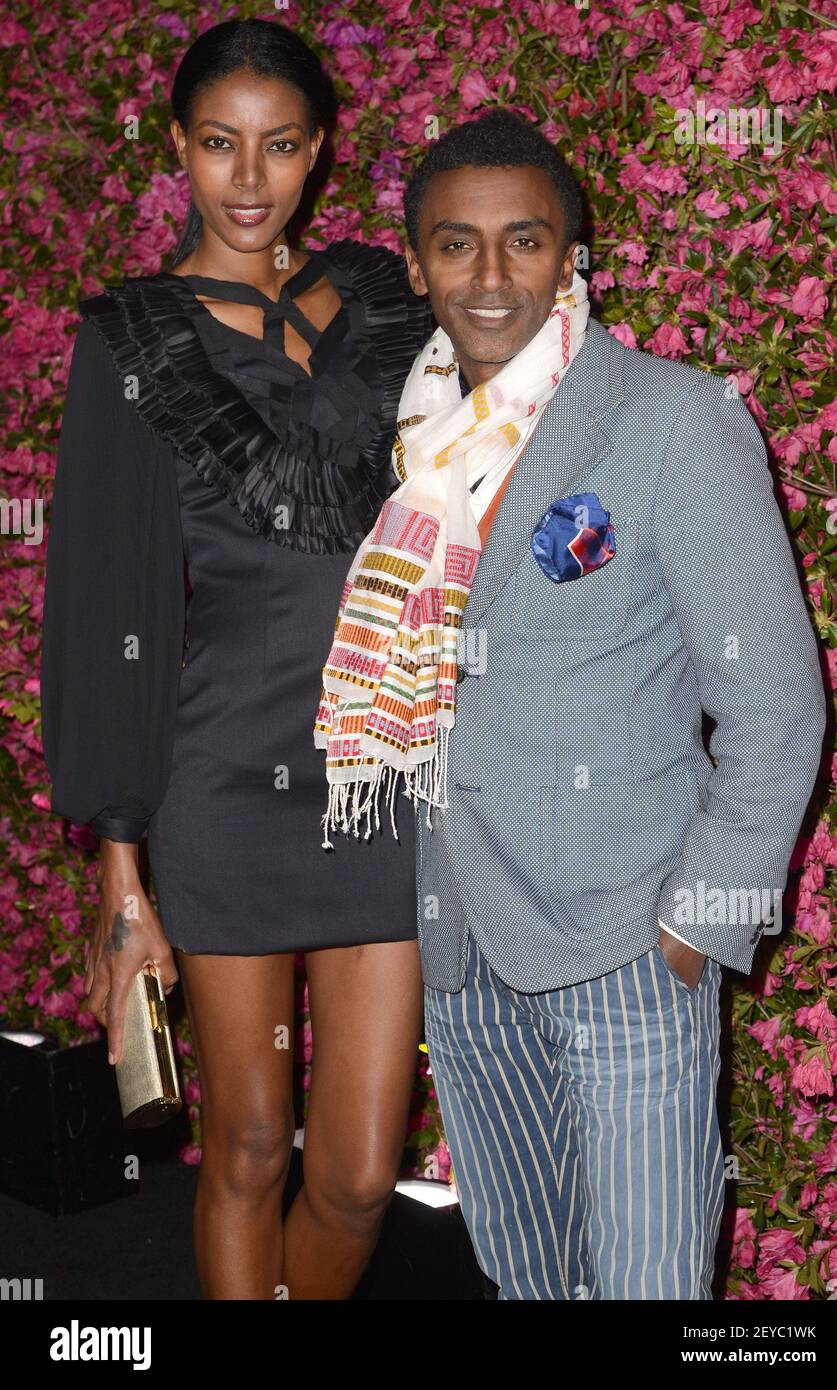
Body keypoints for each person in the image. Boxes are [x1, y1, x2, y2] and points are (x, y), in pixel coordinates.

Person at [314, 110, 827, 1299]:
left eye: (523, 241)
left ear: (571, 253)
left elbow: (774, 704)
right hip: (463, 938)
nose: (490, 276)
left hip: (627, 939)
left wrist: (699, 922)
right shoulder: (412, 441)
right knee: (526, 1275)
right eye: (456, 244)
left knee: (649, 1284)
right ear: (416, 261)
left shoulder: (670, 418)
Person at [40, 18, 433, 1300]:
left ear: (319, 152)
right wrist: (123, 881)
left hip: (382, 784)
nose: (249, 180)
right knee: (251, 1146)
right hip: (222, 789)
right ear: (177, 149)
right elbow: (104, 603)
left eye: (277, 147)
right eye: (219, 145)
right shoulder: (130, 341)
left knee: (363, 1171)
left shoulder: (382, 298)